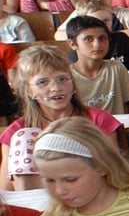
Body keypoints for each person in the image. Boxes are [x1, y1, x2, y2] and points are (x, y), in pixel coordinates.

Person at [1, 45, 121, 191]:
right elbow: (6, 190)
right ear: (28, 90)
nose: (56, 87)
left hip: (92, 195)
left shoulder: (98, 119)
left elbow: (114, 171)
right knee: (24, 138)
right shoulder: (17, 131)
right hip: (38, 206)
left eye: (63, 79)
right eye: (42, 82)